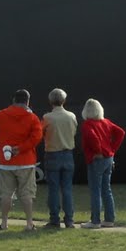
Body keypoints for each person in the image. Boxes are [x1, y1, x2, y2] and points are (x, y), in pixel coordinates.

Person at [0, 89, 44, 233]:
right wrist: (20, 148)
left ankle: (4, 223)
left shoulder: (3, 114)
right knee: (27, 194)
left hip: (6, 162)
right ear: (28, 101)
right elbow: (37, 137)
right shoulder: (32, 118)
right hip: (26, 160)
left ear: (13, 100)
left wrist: (9, 110)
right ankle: (29, 224)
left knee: (6, 194)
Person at [78, 99, 125, 228]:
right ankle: (109, 219)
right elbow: (121, 133)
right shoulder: (106, 122)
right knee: (106, 189)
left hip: (97, 159)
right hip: (108, 158)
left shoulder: (88, 124)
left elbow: (93, 138)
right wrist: (112, 150)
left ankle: (95, 221)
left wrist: (98, 151)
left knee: (95, 191)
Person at [41, 89, 78, 230]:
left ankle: (54, 220)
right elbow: (74, 132)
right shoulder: (71, 116)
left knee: (54, 189)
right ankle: (69, 220)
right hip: (68, 154)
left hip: (52, 154)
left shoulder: (47, 117)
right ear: (64, 100)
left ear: (50, 101)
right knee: (67, 189)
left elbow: (40, 133)